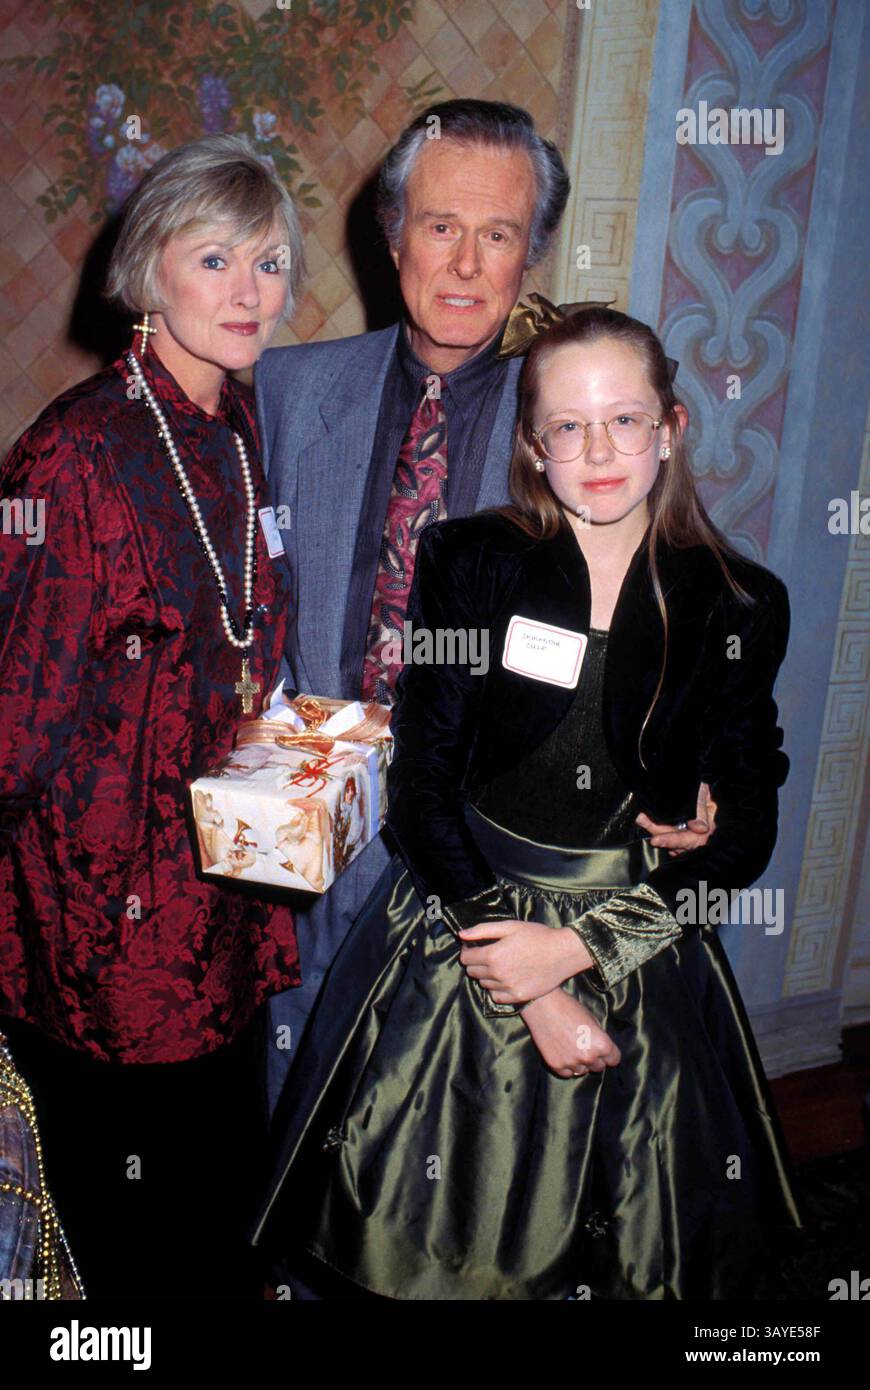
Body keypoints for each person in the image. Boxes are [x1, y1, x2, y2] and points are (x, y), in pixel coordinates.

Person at [251, 304, 804, 1300]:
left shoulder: (738, 601)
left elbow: (748, 832)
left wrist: (587, 949)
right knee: (414, 1243)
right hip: (466, 919)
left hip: (636, 939)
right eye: (569, 426)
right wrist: (535, 983)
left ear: (671, 428)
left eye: (626, 420)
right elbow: (420, 787)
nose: (600, 450)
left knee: (634, 1246)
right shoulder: (471, 565)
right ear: (532, 445)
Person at [256, 98, 715, 1117]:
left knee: (452, 1145)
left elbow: (668, 608)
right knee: (294, 1109)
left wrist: (702, 771)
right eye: (440, 226)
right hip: (305, 831)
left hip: (488, 851)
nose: (466, 265)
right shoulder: (286, 389)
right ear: (391, 235)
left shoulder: (574, 417)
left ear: (530, 254)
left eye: (498, 234)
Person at [0, 133, 305, 1300]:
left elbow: (232, 640)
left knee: (207, 1209)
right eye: (216, 256)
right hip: (99, 931)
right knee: (120, 1239)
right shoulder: (72, 456)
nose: (249, 292)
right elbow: (13, 729)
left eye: (271, 263)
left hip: (216, 893)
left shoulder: (235, 423)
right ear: (150, 270)